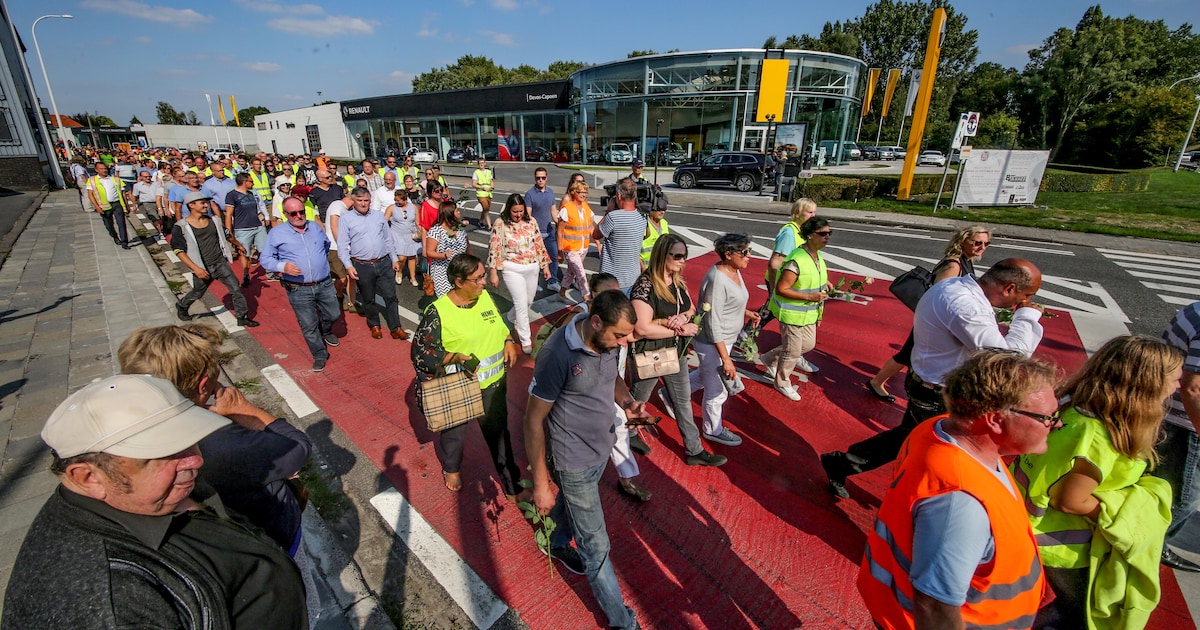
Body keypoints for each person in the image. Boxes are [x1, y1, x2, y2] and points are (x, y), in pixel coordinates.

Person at [1, 374, 307, 628]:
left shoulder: (147, 495)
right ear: (87, 477)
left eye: (191, 440)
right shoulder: (108, 604)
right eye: (163, 453)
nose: (195, 460)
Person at [116, 325, 321, 626]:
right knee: (305, 609)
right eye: (214, 384)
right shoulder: (224, 443)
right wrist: (244, 409)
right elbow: (298, 447)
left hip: (208, 552)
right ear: (202, 387)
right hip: (269, 543)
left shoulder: (125, 431)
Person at [858, 349, 1057, 630]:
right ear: (996, 419)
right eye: (1047, 416)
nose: (1056, 423)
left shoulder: (937, 429)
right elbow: (935, 605)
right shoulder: (960, 503)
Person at [821, 258, 1045, 498]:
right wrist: (1026, 318)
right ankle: (917, 504)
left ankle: (843, 465)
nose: (1025, 302)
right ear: (1009, 288)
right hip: (940, 393)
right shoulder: (965, 305)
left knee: (909, 438)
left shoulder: (954, 289)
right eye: (1026, 295)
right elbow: (1008, 361)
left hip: (930, 384)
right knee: (943, 455)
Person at [1014, 336, 1181, 628]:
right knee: (1071, 619)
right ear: (1148, 384)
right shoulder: (1099, 436)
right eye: (1174, 379)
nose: (1178, 386)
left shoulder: (1075, 409)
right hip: (1061, 549)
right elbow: (1070, 500)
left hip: (1037, 538)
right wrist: (1126, 520)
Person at [524, 290, 644, 629]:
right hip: (571, 460)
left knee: (573, 508)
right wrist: (541, 484)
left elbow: (613, 379)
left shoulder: (605, 343)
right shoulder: (558, 355)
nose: (624, 342)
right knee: (596, 546)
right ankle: (624, 623)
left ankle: (555, 541)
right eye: (619, 335)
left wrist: (629, 402)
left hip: (600, 450)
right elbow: (532, 420)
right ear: (596, 322)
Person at [413, 254, 524, 498]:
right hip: (459, 387)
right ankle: (451, 468)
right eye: (477, 279)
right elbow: (421, 354)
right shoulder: (438, 312)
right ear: (459, 282)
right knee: (454, 433)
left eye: (483, 276)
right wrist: (452, 357)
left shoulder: (485, 297)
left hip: (493, 385)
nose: (483, 282)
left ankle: (512, 484)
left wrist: (507, 339)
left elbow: (502, 323)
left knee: (499, 436)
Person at [630, 233, 726, 467]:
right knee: (637, 400)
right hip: (653, 352)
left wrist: (679, 318)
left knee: (682, 401)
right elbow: (642, 328)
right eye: (678, 256)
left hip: (676, 352)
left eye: (685, 256)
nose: (683, 260)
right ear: (663, 255)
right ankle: (628, 435)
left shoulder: (676, 281)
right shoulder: (645, 285)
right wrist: (678, 330)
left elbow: (691, 309)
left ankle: (694, 449)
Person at [868, 226, 992, 401]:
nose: (982, 247)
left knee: (909, 355)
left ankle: (885, 382)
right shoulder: (954, 265)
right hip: (936, 323)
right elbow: (940, 296)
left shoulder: (965, 260)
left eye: (986, 243)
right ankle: (878, 383)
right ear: (963, 241)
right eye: (977, 242)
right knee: (906, 355)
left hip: (938, 322)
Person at [689, 234, 759, 446]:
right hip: (711, 341)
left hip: (723, 338)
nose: (749, 256)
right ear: (728, 254)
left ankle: (670, 394)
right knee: (717, 390)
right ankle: (712, 429)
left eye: (749, 251)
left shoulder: (734, 271)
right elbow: (712, 321)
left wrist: (745, 312)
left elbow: (729, 302)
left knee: (704, 375)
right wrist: (726, 358)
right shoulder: (717, 279)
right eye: (744, 252)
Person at [735, 198, 819, 367]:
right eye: (810, 212)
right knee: (780, 313)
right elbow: (775, 263)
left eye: (815, 212)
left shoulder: (804, 232)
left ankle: (747, 334)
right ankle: (790, 350)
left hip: (794, 281)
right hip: (782, 281)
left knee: (772, 310)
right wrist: (775, 289)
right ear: (797, 213)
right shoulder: (790, 233)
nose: (814, 215)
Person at [262, 196, 342, 372]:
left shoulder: (314, 227)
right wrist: (282, 266)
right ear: (285, 214)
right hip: (299, 288)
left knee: (334, 313)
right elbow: (265, 259)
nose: (299, 215)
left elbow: (326, 245)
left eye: (301, 211)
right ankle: (319, 354)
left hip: (324, 283)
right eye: (293, 213)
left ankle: (326, 330)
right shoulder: (276, 233)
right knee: (308, 324)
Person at [761, 217, 832, 401]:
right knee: (792, 351)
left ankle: (769, 358)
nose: (827, 237)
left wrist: (826, 284)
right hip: (792, 313)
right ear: (809, 236)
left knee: (807, 345)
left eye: (829, 233)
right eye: (823, 233)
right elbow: (781, 288)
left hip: (809, 313)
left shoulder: (817, 255)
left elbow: (812, 277)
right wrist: (810, 297)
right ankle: (782, 381)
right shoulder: (796, 260)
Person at [1155, 300, 1200, 572]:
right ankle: (1150, 545)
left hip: (1171, 413)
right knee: (1184, 498)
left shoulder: (1195, 309)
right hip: (1186, 422)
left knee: (1166, 488)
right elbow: (1193, 387)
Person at [172, 191, 259, 328]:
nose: (206, 205)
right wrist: (196, 269)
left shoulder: (214, 220)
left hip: (219, 263)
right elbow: (178, 251)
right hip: (201, 266)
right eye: (202, 203)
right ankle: (182, 305)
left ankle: (242, 317)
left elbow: (226, 235)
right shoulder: (181, 227)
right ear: (191, 205)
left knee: (235, 288)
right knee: (198, 292)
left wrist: (238, 245)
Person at [338, 187, 407, 340]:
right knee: (368, 298)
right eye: (359, 200)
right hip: (362, 265)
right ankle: (374, 325)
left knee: (391, 296)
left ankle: (396, 328)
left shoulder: (378, 216)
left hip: (383, 263)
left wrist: (394, 258)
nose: (363, 204)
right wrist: (348, 266)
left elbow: (388, 239)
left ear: (370, 200)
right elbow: (342, 246)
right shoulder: (346, 219)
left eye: (366, 200)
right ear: (354, 201)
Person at [487, 193, 552, 353]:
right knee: (521, 304)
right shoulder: (500, 223)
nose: (518, 215)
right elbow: (494, 247)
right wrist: (493, 272)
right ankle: (525, 340)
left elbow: (539, 243)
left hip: (532, 266)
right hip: (511, 268)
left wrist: (545, 266)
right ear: (509, 209)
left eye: (520, 211)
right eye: (515, 211)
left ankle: (509, 318)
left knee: (528, 301)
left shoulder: (531, 221)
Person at [595, 178, 647, 291]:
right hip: (633, 278)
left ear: (618, 196)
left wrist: (608, 211)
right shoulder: (642, 218)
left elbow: (595, 234)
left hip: (611, 280)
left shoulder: (613, 217)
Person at [224, 172, 269, 288]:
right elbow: (229, 214)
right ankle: (246, 275)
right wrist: (229, 231)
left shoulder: (251, 194)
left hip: (258, 226)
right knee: (245, 253)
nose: (253, 183)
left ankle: (270, 272)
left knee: (265, 249)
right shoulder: (232, 195)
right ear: (244, 182)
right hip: (243, 229)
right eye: (251, 181)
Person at [557, 179, 594, 302]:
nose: (583, 194)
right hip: (571, 248)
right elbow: (560, 231)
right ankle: (587, 300)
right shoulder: (566, 209)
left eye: (585, 192)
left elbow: (590, 226)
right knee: (581, 274)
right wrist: (559, 251)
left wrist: (598, 243)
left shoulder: (586, 208)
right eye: (580, 192)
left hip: (583, 247)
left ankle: (561, 293)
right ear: (573, 192)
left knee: (571, 272)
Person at [425, 200, 471, 297]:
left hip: (460, 270)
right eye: (456, 210)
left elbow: (468, 247)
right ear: (449, 213)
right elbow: (429, 252)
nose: (459, 212)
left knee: (461, 298)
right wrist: (443, 255)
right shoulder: (436, 231)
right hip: (442, 271)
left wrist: (473, 263)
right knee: (446, 299)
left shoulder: (460, 229)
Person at [525, 166, 561, 291]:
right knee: (535, 261)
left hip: (549, 230)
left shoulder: (550, 192)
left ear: (547, 178)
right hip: (536, 233)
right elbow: (528, 214)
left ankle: (552, 281)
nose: (540, 180)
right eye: (538, 178)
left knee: (553, 256)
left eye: (543, 178)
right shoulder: (530, 194)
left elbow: (553, 210)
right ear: (535, 178)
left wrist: (559, 223)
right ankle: (534, 284)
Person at [86, 161, 133, 249]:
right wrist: (97, 207)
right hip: (103, 205)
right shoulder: (92, 180)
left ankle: (124, 242)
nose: (104, 170)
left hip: (117, 203)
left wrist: (126, 205)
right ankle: (114, 236)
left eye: (105, 168)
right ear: (96, 170)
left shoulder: (115, 179)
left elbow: (123, 193)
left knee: (121, 223)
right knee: (109, 224)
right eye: (101, 169)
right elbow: (90, 194)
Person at [385, 187, 422, 287]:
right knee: (401, 257)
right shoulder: (392, 208)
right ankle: (399, 272)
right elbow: (384, 221)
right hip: (397, 235)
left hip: (410, 235)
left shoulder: (413, 207)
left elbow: (417, 222)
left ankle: (413, 277)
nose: (397, 202)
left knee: (411, 257)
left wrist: (421, 232)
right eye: (395, 200)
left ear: (405, 199)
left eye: (399, 200)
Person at [131, 169, 164, 239]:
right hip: (147, 203)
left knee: (161, 218)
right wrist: (134, 205)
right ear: (141, 177)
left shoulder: (156, 184)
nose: (148, 178)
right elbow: (134, 196)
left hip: (158, 202)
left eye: (149, 176)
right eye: (146, 177)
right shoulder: (137, 186)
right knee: (155, 217)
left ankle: (161, 229)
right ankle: (160, 233)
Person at [640, 193, 669, 270]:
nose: (662, 212)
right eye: (659, 209)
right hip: (644, 269)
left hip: (659, 269)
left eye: (664, 209)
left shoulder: (664, 223)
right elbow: (634, 252)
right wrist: (643, 269)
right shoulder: (643, 224)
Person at [471, 157, 495, 229]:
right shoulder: (476, 172)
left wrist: (492, 186)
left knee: (485, 209)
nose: (481, 164)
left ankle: (481, 221)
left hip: (489, 193)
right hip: (481, 194)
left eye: (482, 163)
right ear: (478, 164)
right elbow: (474, 184)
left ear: (485, 163)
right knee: (486, 209)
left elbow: (491, 181)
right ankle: (489, 226)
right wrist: (483, 187)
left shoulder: (488, 172)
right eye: (480, 163)